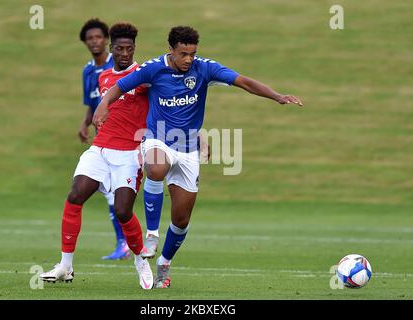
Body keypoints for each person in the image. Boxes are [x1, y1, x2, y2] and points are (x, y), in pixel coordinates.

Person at [93, 25, 303, 288]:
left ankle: (164, 262)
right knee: (155, 168)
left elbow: (243, 81)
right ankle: (152, 235)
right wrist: (102, 106)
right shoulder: (153, 68)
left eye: (192, 53)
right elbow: (119, 87)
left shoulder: (204, 68)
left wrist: (277, 97)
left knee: (181, 220)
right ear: (171, 50)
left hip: (189, 150)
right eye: (183, 54)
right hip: (158, 139)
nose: (188, 59)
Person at [40, 22, 154, 290]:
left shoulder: (144, 75)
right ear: (111, 49)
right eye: (120, 48)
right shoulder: (102, 77)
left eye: (129, 48)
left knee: (124, 211)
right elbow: (97, 106)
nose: (125, 53)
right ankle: (65, 265)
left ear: (134, 49)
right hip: (100, 149)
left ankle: (141, 261)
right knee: (75, 195)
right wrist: (89, 119)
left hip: (129, 152)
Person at [78, 18, 130, 260]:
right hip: (102, 142)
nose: (94, 41)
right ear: (86, 43)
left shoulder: (119, 64)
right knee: (109, 193)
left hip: (123, 142)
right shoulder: (88, 71)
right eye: (90, 38)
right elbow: (93, 103)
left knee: (116, 195)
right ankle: (126, 244)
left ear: (106, 41)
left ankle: (127, 244)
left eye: (98, 37)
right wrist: (84, 124)